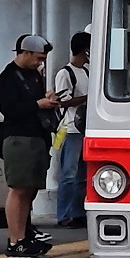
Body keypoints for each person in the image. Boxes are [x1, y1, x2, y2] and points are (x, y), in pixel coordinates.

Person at [0, 34, 59, 257]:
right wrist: (37, 103)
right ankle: (14, 240)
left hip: (37, 136)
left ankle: (24, 235)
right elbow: (9, 109)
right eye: (38, 58)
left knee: (29, 189)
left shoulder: (34, 75)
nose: (40, 62)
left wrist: (47, 99)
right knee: (18, 189)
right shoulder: (8, 77)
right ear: (25, 52)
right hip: (18, 137)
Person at [53, 31, 90, 228]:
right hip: (71, 129)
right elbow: (62, 101)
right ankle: (64, 214)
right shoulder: (64, 73)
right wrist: (88, 98)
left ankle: (78, 213)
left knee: (82, 175)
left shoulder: (86, 71)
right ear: (85, 50)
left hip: (84, 129)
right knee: (68, 174)